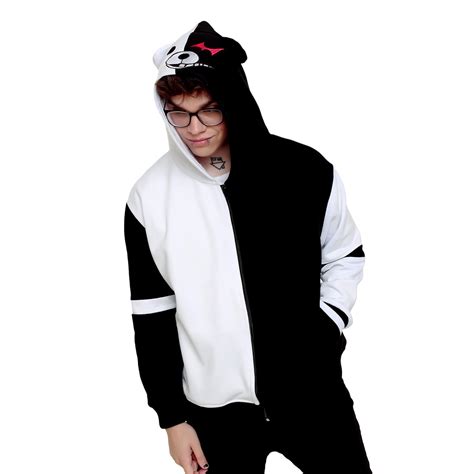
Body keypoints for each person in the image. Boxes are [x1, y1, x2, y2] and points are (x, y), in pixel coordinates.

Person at [124, 20, 373, 474]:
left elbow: (344, 255)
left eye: (209, 110)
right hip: (215, 413)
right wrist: (172, 419)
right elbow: (152, 313)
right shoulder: (149, 197)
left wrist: (325, 328)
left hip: (313, 394)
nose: (194, 128)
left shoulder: (304, 171)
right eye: (178, 113)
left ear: (234, 102)